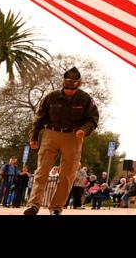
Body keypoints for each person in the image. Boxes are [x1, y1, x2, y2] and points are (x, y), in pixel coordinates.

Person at [24, 67, 99, 216]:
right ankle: (33, 205)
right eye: (67, 87)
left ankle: (56, 207)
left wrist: (84, 130)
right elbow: (39, 118)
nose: (69, 90)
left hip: (73, 137)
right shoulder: (51, 97)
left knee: (67, 174)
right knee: (42, 172)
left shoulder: (86, 99)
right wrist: (33, 137)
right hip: (50, 134)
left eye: (73, 88)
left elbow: (92, 119)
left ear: (79, 85)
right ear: (63, 84)